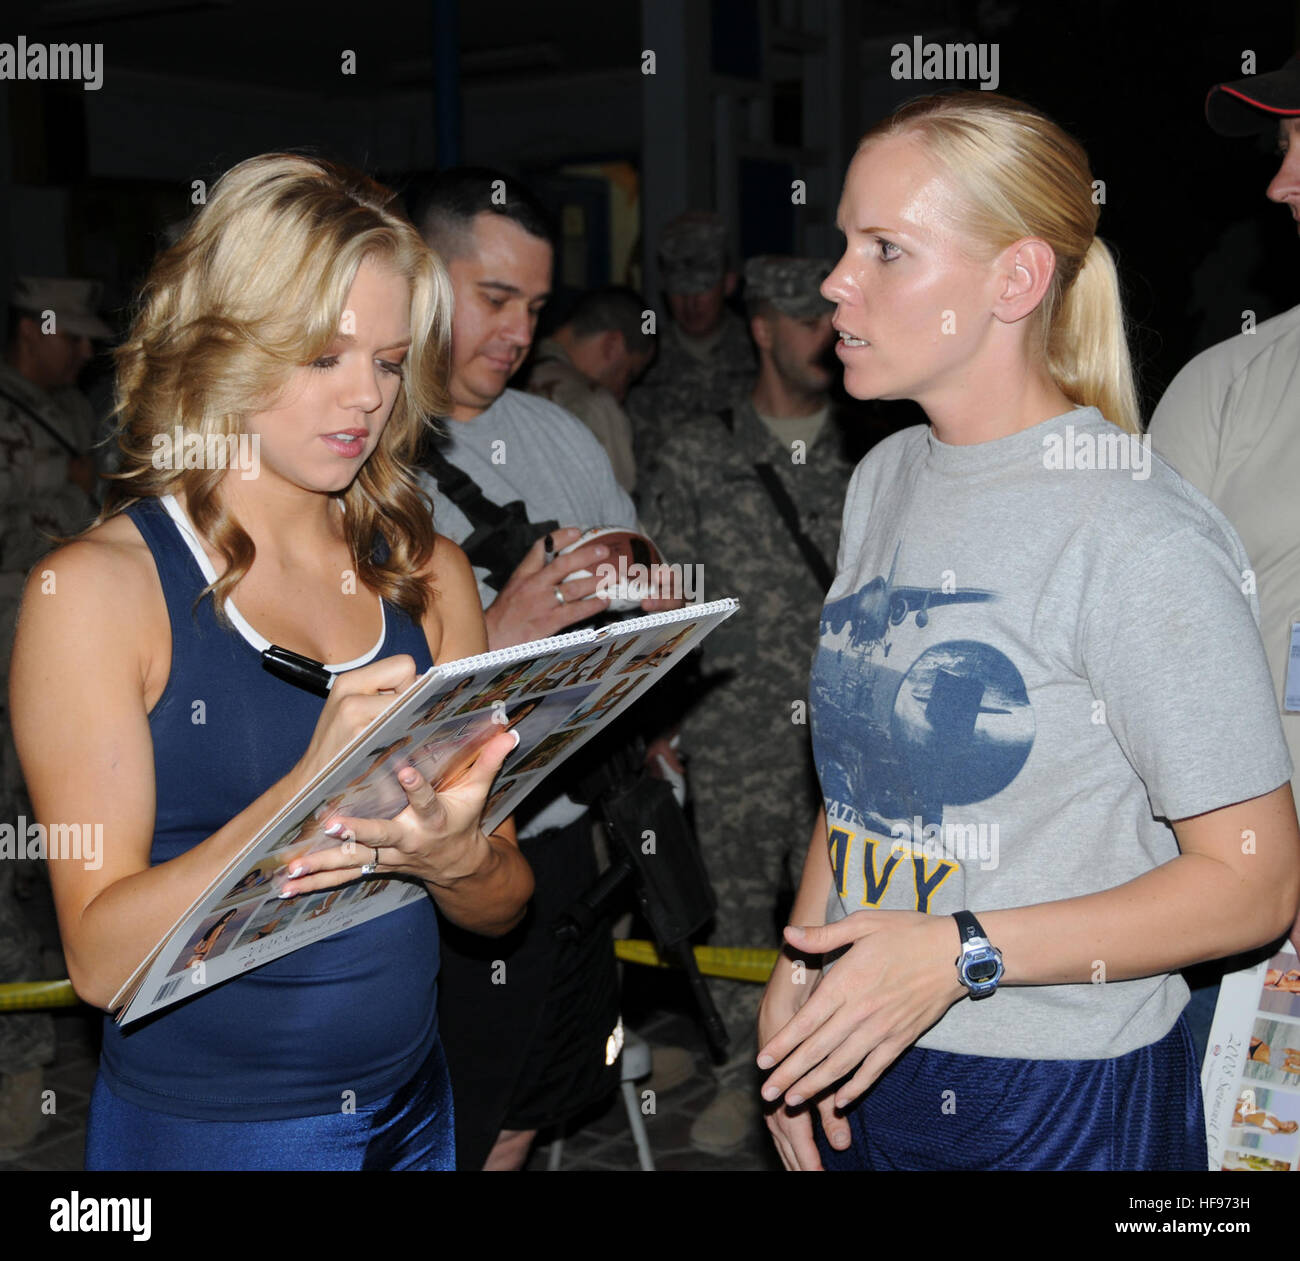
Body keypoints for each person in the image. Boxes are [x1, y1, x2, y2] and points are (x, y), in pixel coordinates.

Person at [756, 92, 1300, 1172]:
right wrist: (802, 969)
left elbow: (1252, 883)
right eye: (842, 245)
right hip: (874, 1041)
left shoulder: (1133, 529)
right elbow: (865, 770)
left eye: (885, 250)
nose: (833, 283)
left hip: (1054, 1090)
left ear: (1013, 280)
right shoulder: (885, 477)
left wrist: (958, 954)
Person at [7, 153, 532, 1171]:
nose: (365, 398)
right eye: (324, 355)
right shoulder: (100, 595)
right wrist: (310, 788)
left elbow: (504, 901)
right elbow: (103, 964)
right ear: (220, 346)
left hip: (414, 1108)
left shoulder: (430, 574)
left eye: (387, 361)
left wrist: (451, 857)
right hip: (208, 1137)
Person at [415, 166, 679, 1172]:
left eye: (532, 306)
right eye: (493, 299)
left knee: (531, 1107)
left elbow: (641, 569)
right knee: (453, 1123)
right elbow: (347, 704)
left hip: (572, 830)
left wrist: (648, 607)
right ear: (418, 277)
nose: (519, 332)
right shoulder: (356, 455)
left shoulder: (561, 431)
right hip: (448, 854)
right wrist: (496, 625)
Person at [639, 255, 861, 1155]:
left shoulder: (874, 448)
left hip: (847, 734)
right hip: (733, 723)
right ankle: (745, 1071)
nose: (825, 332)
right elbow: (665, 601)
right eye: (804, 317)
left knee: (842, 918)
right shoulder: (700, 449)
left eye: (832, 315)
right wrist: (663, 719)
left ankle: (837, 1074)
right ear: (762, 328)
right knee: (731, 910)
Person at [1147, 52, 1300, 1063]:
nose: (1279, 182)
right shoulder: (1226, 385)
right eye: (1283, 147)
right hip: (1255, 926)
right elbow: (1147, 668)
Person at [0, 275, 110, 1152]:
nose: (82, 351)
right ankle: (20, 1061)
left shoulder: (76, 410)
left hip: (65, 648)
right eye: (68, 335)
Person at [625, 211, 756, 468]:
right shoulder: (643, 356)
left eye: (702, 288)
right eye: (679, 289)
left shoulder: (759, 352)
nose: (690, 302)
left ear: (728, 283)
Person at [526, 286, 654, 494]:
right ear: (612, 345)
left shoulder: (494, 382)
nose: (623, 394)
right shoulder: (594, 405)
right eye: (629, 374)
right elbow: (616, 515)